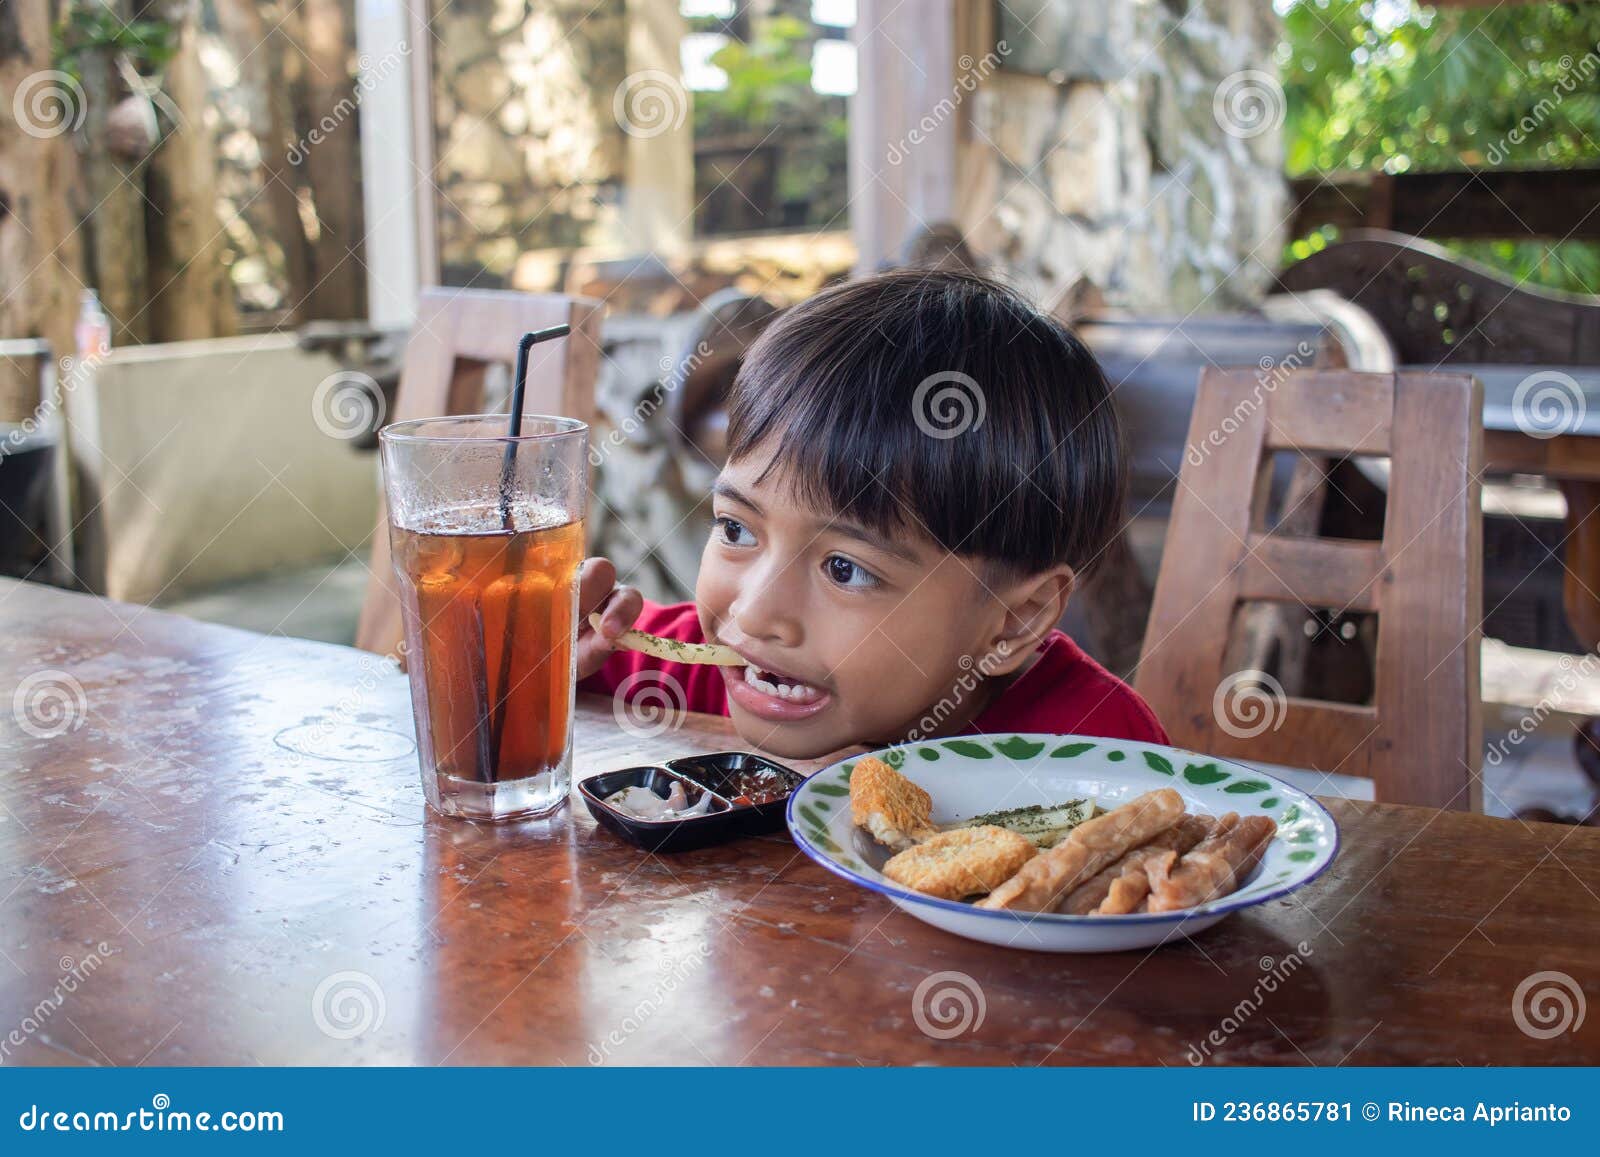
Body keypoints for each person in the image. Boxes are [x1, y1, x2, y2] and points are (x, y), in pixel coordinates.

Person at [576, 269, 1167, 760]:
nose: (754, 614)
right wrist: (533, 651)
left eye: (846, 570)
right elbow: (534, 674)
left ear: (1015, 620)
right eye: (736, 530)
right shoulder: (701, 679)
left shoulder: (1099, 758)